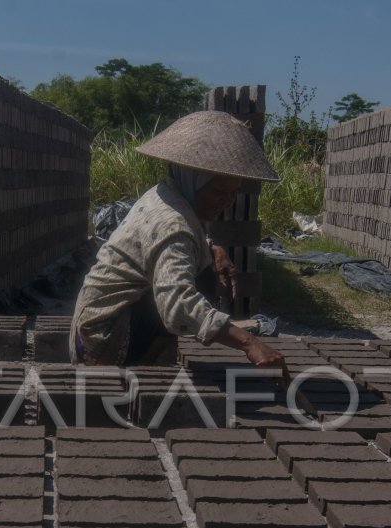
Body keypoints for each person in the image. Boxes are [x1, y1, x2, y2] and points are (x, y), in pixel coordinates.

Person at [70, 111, 290, 385]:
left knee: (202, 272)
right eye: (218, 191)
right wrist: (249, 343)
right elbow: (178, 303)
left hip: (95, 323)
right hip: (101, 340)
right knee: (196, 286)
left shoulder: (167, 193)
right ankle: (137, 366)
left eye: (234, 192)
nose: (227, 202)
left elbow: (177, 242)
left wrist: (212, 246)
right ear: (192, 179)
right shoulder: (173, 223)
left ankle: (151, 357)